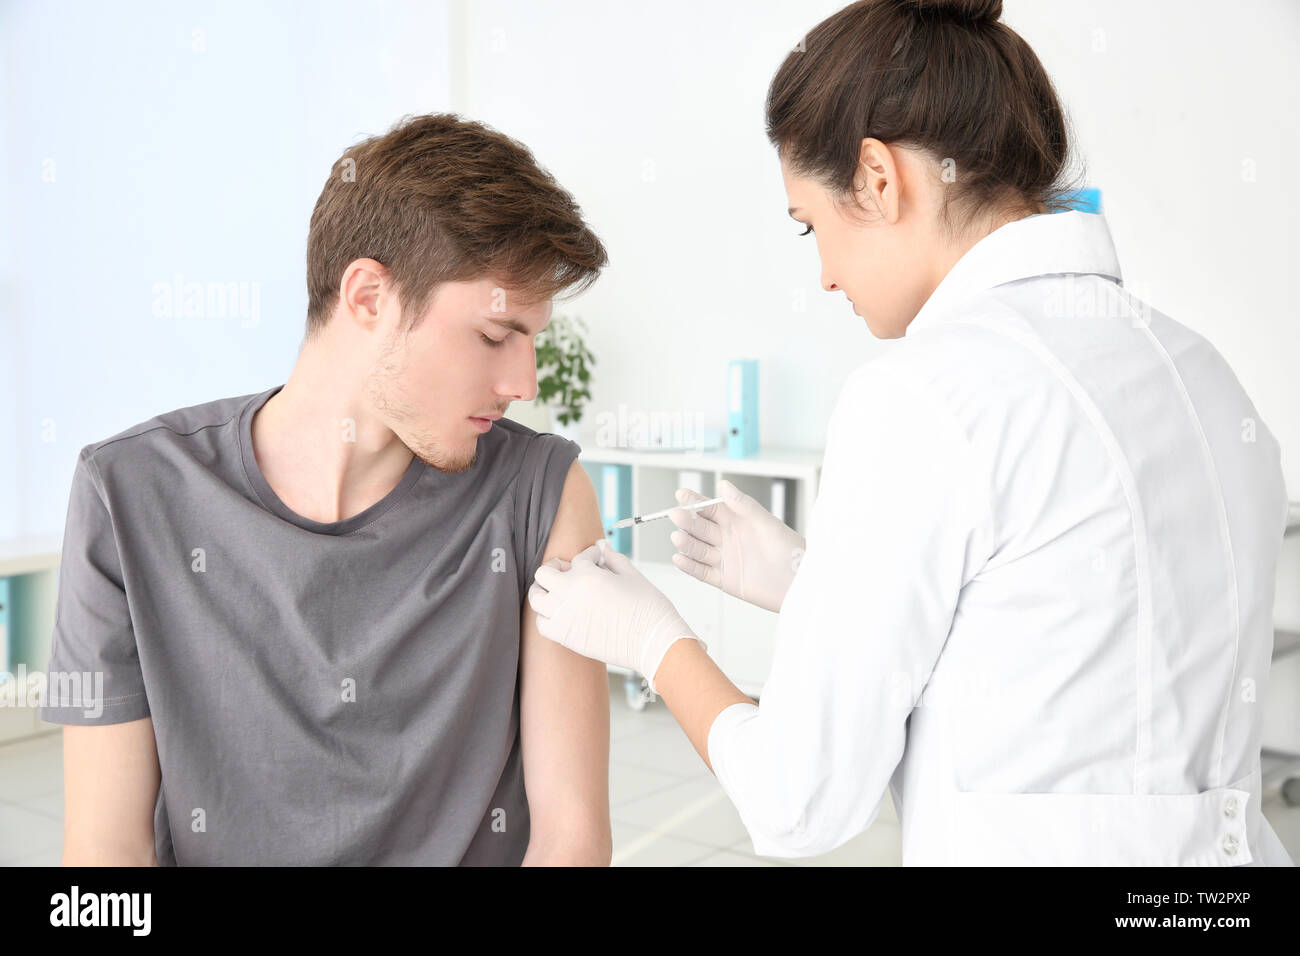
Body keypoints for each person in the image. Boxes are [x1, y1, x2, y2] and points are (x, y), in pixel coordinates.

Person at [528, 0, 1295, 865]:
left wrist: (653, 641)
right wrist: (819, 588)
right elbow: (1068, 642)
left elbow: (799, 803)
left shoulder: (925, 394)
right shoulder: (1199, 373)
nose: (821, 274)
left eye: (810, 225)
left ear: (878, 178)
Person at [40, 113, 614, 865]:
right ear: (370, 296)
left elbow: (570, 838)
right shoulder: (129, 495)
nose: (524, 382)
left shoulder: (541, 494)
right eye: (494, 336)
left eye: (532, 341)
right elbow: (104, 861)